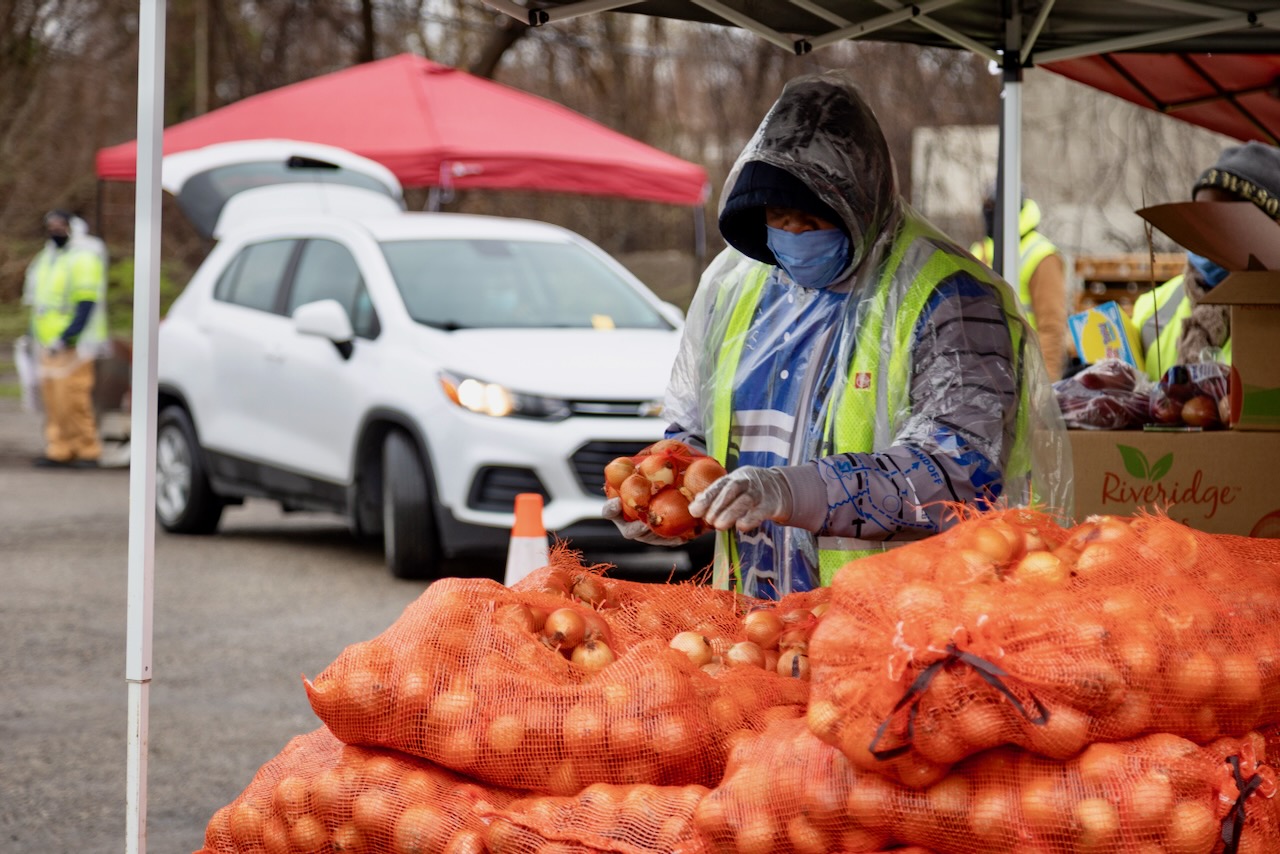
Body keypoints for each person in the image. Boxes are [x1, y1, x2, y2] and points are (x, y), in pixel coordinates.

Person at [602, 70, 1069, 599]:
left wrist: (789, 491)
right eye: (778, 216)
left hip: (899, 629)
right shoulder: (732, 285)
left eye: (812, 218)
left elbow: (960, 469)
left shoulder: (950, 295)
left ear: (861, 202)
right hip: (757, 624)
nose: (793, 235)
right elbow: (694, 437)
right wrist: (665, 497)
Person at [1131, 141, 1280, 382]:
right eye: (1200, 219)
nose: (1208, 236)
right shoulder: (1152, 310)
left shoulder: (1270, 306)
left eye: (1225, 223)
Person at [24, 209, 108, 468]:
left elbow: (86, 302)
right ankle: (59, 448)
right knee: (53, 400)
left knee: (73, 399)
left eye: (61, 224)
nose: (55, 229)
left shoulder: (83, 258)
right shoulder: (50, 257)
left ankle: (87, 449)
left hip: (74, 345)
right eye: (51, 225)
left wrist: (69, 335)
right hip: (47, 342)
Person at [970, 192, 1070, 380]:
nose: (990, 214)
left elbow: (1051, 326)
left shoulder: (1041, 255)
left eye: (994, 208)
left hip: (1026, 373)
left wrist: (1046, 384)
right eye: (988, 208)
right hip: (985, 375)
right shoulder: (979, 251)